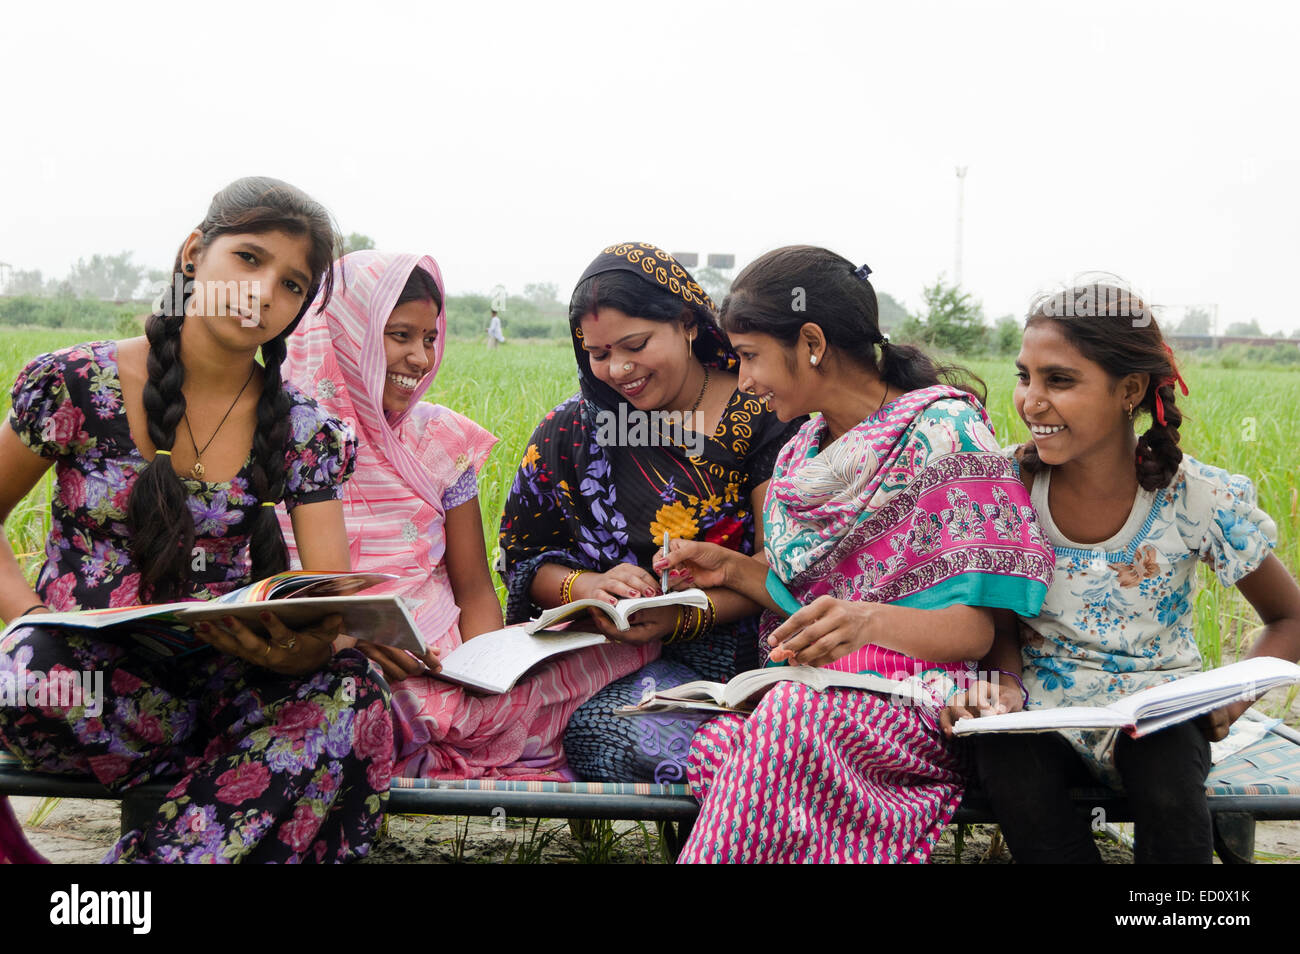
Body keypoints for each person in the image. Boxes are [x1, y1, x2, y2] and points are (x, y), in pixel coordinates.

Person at [0, 177, 392, 864]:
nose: (265, 291)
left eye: (293, 284)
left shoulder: (305, 429)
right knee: (23, 665)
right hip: (87, 687)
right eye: (248, 258)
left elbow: (328, 600)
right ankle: (248, 775)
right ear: (193, 254)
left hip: (229, 680)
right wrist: (32, 614)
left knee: (353, 688)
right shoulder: (74, 384)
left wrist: (296, 650)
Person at [656, 246, 1055, 863]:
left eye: (752, 356)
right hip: (815, 693)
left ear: (811, 342)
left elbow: (975, 632)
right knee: (722, 743)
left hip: (924, 703)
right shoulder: (799, 455)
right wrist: (731, 568)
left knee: (785, 726)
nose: (747, 378)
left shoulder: (944, 435)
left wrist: (865, 621)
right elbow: (810, 602)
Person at [943, 282, 1300, 863]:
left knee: (1164, 770)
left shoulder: (1197, 499)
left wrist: (1237, 695)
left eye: (1059, 380)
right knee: (1009, 763)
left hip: (1158, 714)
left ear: (1129, 389)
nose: (1032, 400)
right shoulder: (1006, 489)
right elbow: (998, 618)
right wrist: (1003, 683)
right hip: (1038, 713)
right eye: (1024, 376)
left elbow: (1289, 616)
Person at [282, 250, 655, 778]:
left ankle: (465, 725)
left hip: (442, 660)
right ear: (347, 332)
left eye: (430, 338)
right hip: (333, 654)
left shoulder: (442, 439)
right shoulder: (290, 438)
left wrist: (485, 673)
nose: (420, 357)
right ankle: (434, 734)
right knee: (363, 704)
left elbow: (474, 587)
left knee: (618, 652)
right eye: (399, 335)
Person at [499, 242, 803, 782]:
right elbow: (521, 561)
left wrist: (685, 613)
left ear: (687, 322)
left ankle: (756, 793)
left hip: (752, 653)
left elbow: (783, 566)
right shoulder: (571, 430)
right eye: (597, 353)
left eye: (635, 344)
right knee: (588, 727)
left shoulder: (768, 415)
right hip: (604, 652)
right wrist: (586, 588)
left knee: (628, 732)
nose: (618, 369)